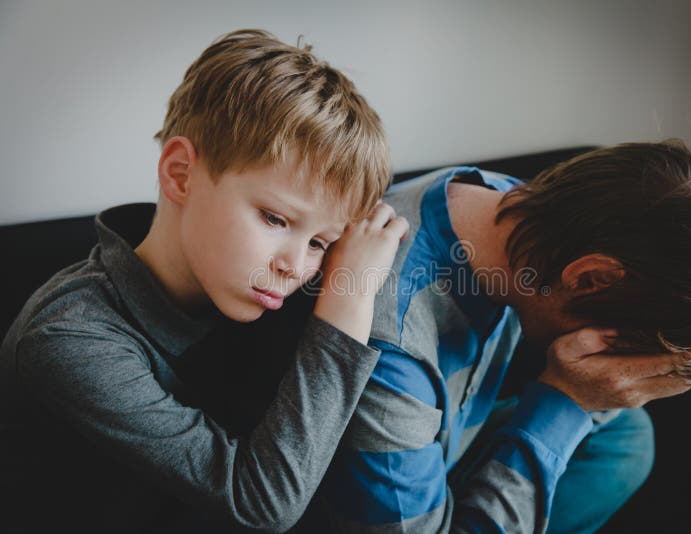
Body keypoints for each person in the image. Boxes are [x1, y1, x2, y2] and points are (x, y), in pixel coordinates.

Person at [0, 29, 409, 532]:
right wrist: (351, 293)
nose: (296, 266)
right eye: (275, 219)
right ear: (180, 175)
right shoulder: (68, 336)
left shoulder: (250, 282)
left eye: (320, 243)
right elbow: (261, 504)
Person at [320, 140, 691, 533]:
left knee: (626, 437)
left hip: (448, 436)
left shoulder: (504, 202)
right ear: (590, 279)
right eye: (646, 359)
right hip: (376, 491)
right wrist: (567, 401)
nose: (638, 380)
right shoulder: (392, 353)